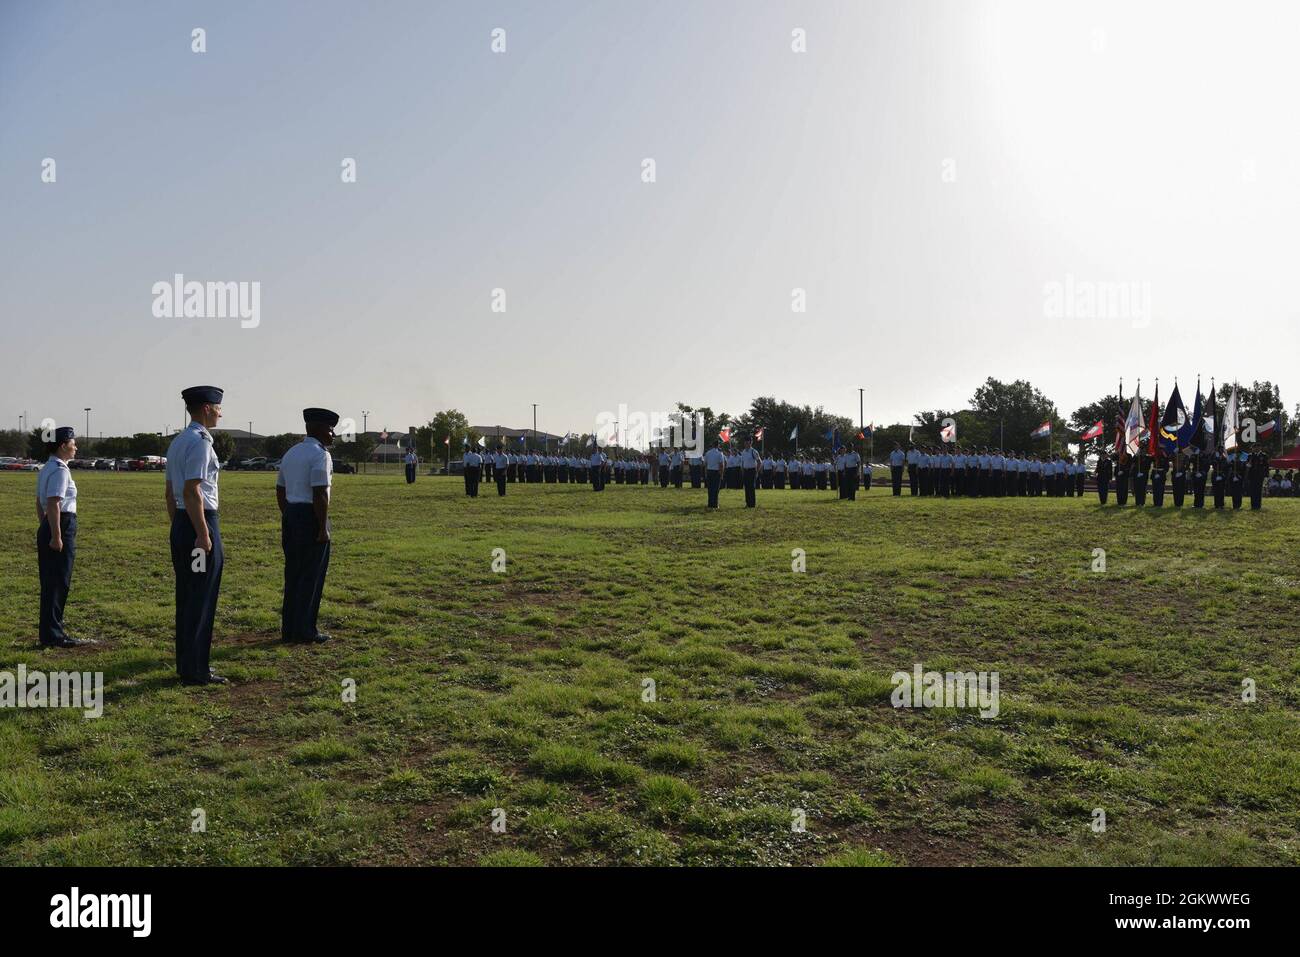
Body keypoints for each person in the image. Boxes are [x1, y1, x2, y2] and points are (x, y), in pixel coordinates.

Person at [165, 386, 227, 685]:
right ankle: (196, 669)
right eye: (217, 407)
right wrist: (202, 535)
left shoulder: (178, 441)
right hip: (198, 524)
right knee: (200, 597)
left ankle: (187, 665)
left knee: (188, 596)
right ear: (206, 408)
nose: (220, 413)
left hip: (182, 522)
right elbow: (192, 491)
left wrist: (180, 526)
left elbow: (169, 492)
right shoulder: (201, 442)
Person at [277, 408, 337, 645]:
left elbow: (280, 489)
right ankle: (305, 630)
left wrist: (289, 514)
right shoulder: (321, 454)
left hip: (291, 514)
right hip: (311, 516)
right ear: (321, 430)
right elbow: (320, 492)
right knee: (311, 576)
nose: (333, 434)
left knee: (293, 574)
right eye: (331, 429)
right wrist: (322, 527)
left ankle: (289, 628)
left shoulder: (291, 452)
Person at [36, 426, 91, 648]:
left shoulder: (47, 467)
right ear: (62, 446)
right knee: (59, 581)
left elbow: (39, 503)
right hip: (61, 524)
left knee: (51, 582)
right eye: (73, 443)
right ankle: (54, 634)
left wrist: (45, 526)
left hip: (50, 524)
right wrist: (56, 535)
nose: (75, 447)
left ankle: (50, 631)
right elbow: (54, 502)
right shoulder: (60, 470)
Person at [739, 436, 761, 508]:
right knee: (746, 488)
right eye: (745, 442)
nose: (746, 443)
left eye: (748, 442)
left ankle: (752, 504)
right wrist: (742, 471)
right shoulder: (743, 452)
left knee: (751, 488)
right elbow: (742, 462)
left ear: (751, 443)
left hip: (752, 471)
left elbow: (759, 462)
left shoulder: (753, 451)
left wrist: (757, 472)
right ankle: (748, 503)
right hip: (745, 471)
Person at [703, 440, 725, 508]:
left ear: (712, 445)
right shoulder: (719, 453)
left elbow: (705, 464)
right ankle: (715, 504)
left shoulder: (707, 453)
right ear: (718, 445)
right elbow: (721, 465)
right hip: (716, 472)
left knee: (710, 489)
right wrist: (721, 474)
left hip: (709, 471)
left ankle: (710, 503)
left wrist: (706, 473)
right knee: (716, 489)